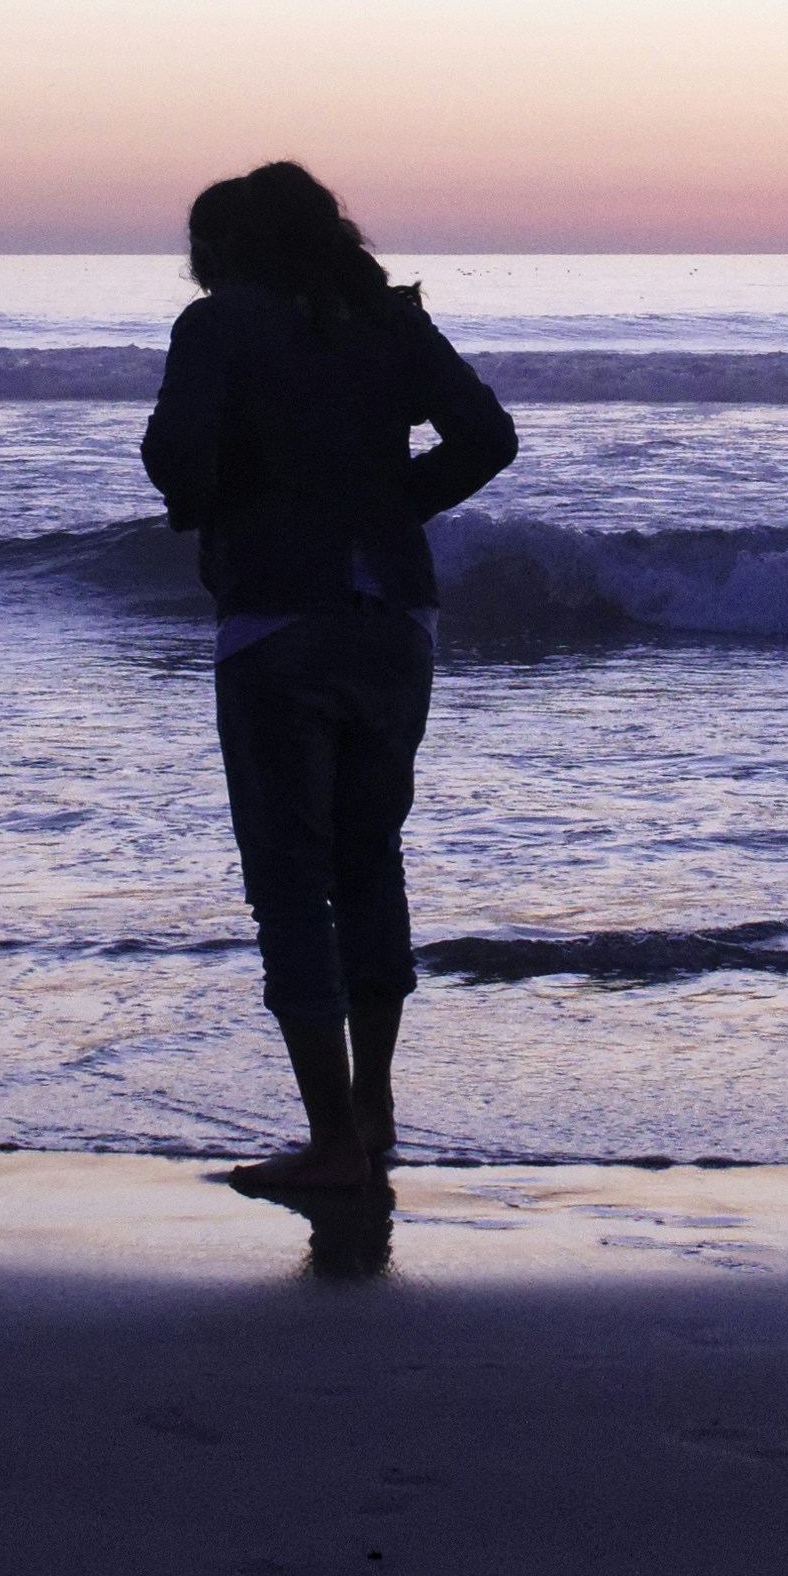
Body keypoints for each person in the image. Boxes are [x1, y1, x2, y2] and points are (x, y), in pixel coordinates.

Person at [142, 162, 518, 1177]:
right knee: (368, 866)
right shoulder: (387, 320)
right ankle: (373, 1110)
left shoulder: (219, 325)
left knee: (289, 884)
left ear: (230, 246)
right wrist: (390, 501)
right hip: (394, 616)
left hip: (277, 620)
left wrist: (232, 490)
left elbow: (172, 460)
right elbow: (488, 438)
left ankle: (330, 1139)